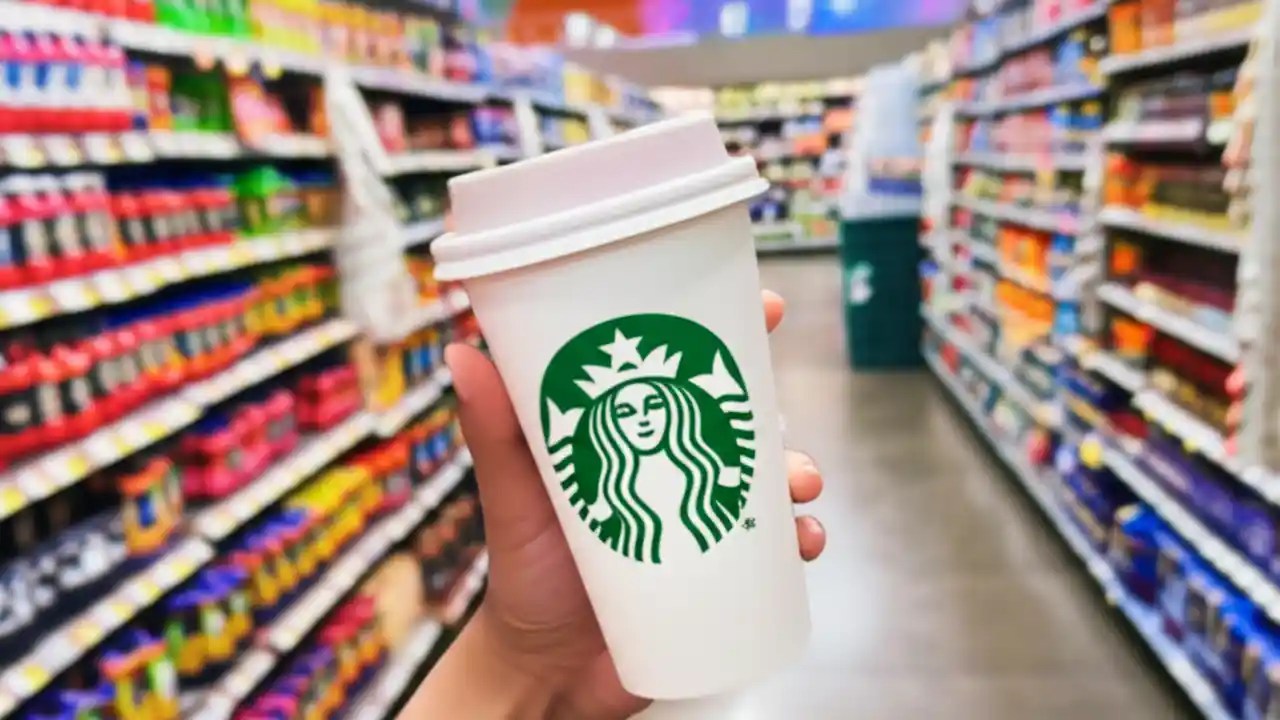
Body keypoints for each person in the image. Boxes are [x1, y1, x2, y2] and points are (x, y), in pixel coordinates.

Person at [401, 291, 826, 719]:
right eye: (625, 410)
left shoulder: (705, 478)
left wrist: (519, 662)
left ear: (679, 407)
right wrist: (518, 658)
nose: (642, 418)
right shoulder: (618, 501)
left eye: (654, 404)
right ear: (607, 423)